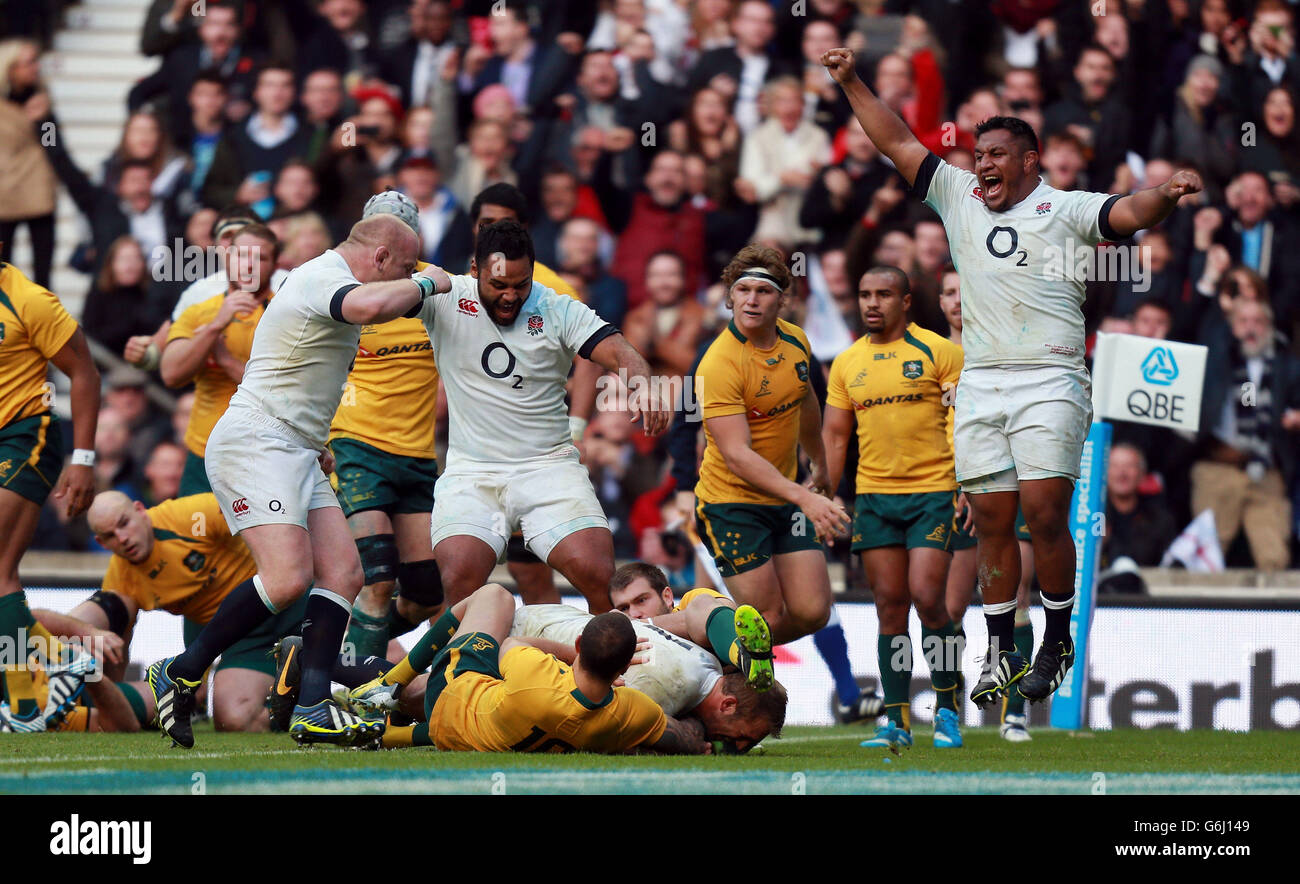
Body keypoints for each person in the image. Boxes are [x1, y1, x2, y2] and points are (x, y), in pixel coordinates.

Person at [822, 45, 1204, 707]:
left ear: (1030, 161)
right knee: (992, 521)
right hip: (983, 381)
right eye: (979, 151)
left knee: (1045, 514)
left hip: (1052, 377)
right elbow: (895, 141)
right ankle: (1001, 647)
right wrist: (852, 80)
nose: (983, 162)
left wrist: (1166, 197)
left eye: (997, 152)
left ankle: (1057, 637)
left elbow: (1129, 211)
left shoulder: (1067, 208)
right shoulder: (958, 196)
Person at [145, 213, 445, 749]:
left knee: (345, 572)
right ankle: (183, 669)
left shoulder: (324, 279)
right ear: (379, 259)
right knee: (287, 579)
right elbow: (369, 306)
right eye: (402, 267)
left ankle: (310, 706)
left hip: (297, 447)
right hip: (256, 440)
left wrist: (318, 442)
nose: (407, 277)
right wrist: (429, 281)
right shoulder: (321, 276)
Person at [821, 266, 965, 751]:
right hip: (875, 498)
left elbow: (961, 420)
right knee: (889, 608)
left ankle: (947, 707)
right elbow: (836, 435)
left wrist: (966, 482)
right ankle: (896, 719)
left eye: (883, 294)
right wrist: (826, 493)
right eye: (864, 294)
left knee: (928, 597)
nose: (871, 303)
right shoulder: (846, 364)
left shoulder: (938, 352)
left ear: (906, 301)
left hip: (933, 493)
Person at [693, 244, 849, 646]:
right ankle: (695, 639)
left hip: (784, 497)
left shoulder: (796, 340)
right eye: (742, 290)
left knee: (813, 611)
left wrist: (820, 466)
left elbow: (808, 402)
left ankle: (718, 649)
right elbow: (737, 455)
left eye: (763, 292)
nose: (751, 299)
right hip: (732, 504)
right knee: (766, 616)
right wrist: (806, 498)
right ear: (729, 297)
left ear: (783, 300)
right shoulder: (719, 363)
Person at [69, 491, 305, 732]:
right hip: (238, 635)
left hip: (283, 599)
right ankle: (304, 703)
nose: (123, 538)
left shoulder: (194, 516)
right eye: (110, 535)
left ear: (140, 510)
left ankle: (313, 681)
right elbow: (119, 645)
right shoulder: (121, 580)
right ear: (101, 543)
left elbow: (269, 516)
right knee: (234, 718)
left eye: (124, 523)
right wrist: (112, 698)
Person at [376, 584, 711, 754]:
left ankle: (390, 682)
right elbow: (684, 738)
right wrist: (701, 736)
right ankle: (388, 733)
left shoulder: (534, 676)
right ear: (625, 665)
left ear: (579, 644)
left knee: (495, 596)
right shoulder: (630, 711)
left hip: (452, 692)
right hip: (457, 736)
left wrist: (568, 655)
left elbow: (512, 645)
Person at [329, 192, 443, 662]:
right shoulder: (337, 284)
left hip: (416, 456)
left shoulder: (437, 287)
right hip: (356, 448)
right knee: (376, 577)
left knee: (425, 596)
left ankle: (325, 651)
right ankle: (344, 698)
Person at [0, 261, 100, 732]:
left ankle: (45, 674)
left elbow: (84, 372)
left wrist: (83, 457)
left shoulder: (29, 299)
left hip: (26, 435)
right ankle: (39, 682)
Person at [160, 223, 279, 496]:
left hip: (264, 454)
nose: (249, 265)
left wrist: (225, 360)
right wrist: (215, 327)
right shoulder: (200, 312)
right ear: (228, 258)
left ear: (274, 266)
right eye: (242, 255)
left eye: (260, 258)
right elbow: (171, 374)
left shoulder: (286, 314)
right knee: (199, 537)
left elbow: (279, 394)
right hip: (203, 454)